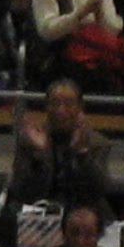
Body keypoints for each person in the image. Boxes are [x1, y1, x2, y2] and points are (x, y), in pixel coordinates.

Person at [9, 79, 112, 221]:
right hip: (40, 209)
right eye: (55, 104)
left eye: (68, 104)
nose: (61, 110)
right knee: (10, 214)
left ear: (80, 107)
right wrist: (38, 155)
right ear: (46, 107)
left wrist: (82, 154)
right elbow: (20, 190)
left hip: (81, 209)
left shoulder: (97, 142)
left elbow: (98, 191)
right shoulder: (30, 139)